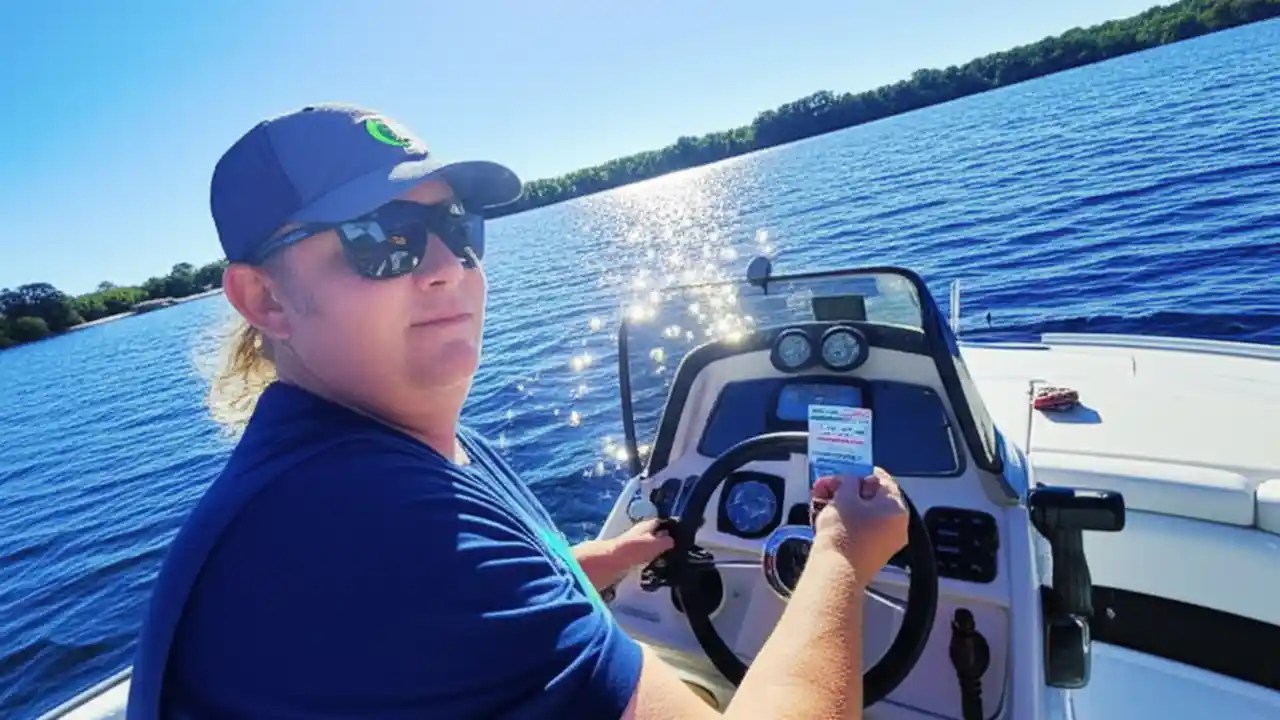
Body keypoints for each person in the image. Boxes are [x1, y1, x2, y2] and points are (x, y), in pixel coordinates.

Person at [127, 103, 909, 720]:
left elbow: (498, 585)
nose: (447, 267)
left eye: (456, 228)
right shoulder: (368, 523)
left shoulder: (388, 453)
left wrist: (606, 557)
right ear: (265, 299)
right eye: (382, 239)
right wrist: (844, 554)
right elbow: (437, 576)